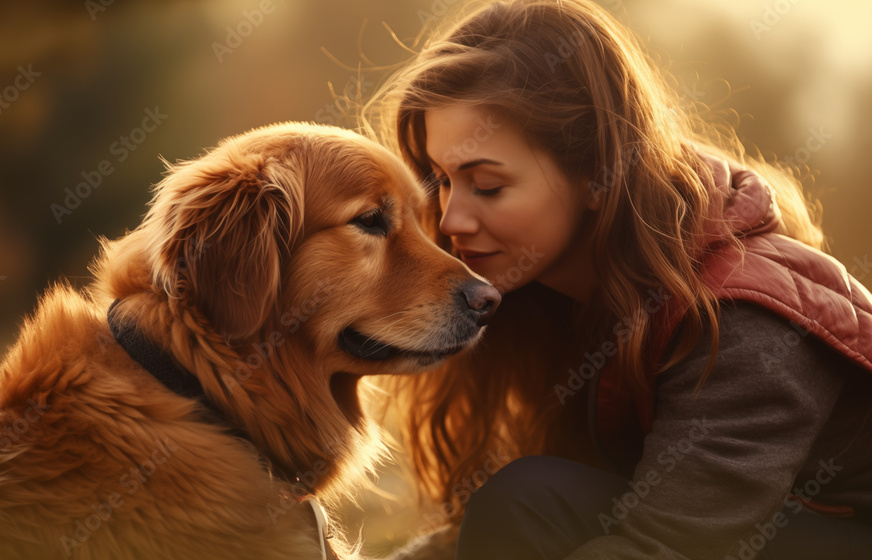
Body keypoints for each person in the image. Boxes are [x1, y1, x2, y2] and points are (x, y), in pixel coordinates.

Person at [361, 0, 872, 558]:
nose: (452, 219)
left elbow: (668, 548)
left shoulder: (740, 322)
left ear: (597, 175)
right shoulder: (570, 298)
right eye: (441, 181)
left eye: (487, 186)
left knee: (526, 499)